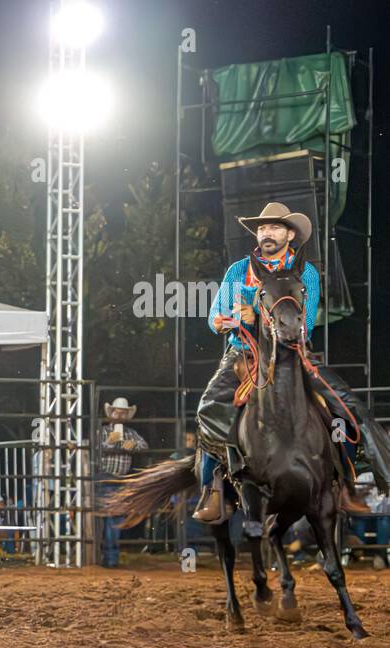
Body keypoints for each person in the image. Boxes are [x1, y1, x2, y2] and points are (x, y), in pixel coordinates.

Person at [194, 201, 390, 522]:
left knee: (345, 405)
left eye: (273, 228)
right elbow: (216, 316)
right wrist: (223, 320)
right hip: (243, 354)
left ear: (289, 234)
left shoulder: (305, 273)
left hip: (291, 354)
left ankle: (351, 482)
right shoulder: (238, 270)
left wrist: (255, 311)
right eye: (261, 228)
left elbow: (305, 322)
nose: (266, 233)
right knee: (208, 409)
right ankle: (214, 489)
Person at [94, 397, 148, 569]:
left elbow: (143, 446)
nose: (120, 415)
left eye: (123, 412)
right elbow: (97, 447)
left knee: (114, 518)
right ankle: (107, 556)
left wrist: (126, 444)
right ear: (112, 413)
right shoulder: (102, 431)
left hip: (119, 479)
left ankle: (110, 557)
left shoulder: (130, 433)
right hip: (105, 477)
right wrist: (111, 442)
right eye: (117, 411)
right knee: (109, 518)